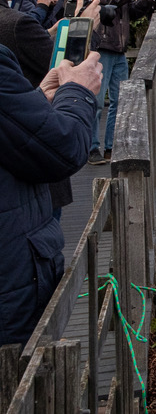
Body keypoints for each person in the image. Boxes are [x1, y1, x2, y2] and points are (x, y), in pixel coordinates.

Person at [0, 43, 101, 346]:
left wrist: (33, 102)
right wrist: (79, 92)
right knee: (23, 384)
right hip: (10, 282)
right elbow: (62, 149)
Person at [78, 0, 156, 163]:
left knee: (119, 103)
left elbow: (128, 9)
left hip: (119, 49)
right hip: (100, 49)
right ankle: (92, 149)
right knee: (96, 102)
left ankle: (111, 147)